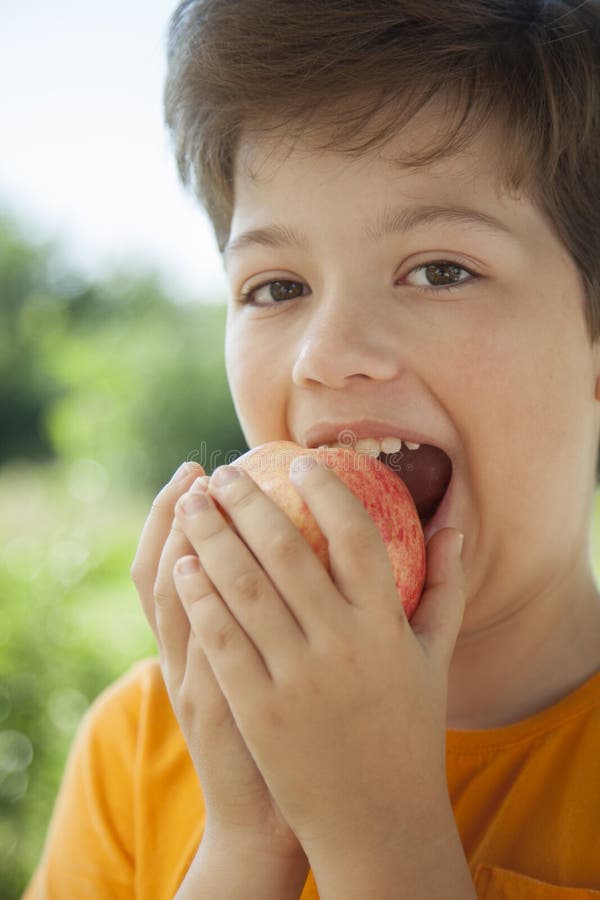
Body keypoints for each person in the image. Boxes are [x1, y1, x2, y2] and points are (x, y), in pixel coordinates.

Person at [24, 1, 600, 897]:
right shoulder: (138, 748)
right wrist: (247, 839)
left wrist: (381, 841)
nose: (325, 355)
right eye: (277, 286)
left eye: (440, 270)